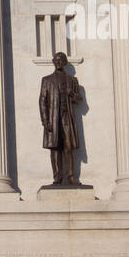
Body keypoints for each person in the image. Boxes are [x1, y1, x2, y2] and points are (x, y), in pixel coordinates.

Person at [39, 51, 83, 186]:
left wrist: (72, 94)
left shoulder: (72, 80)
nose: (58, 62)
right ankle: (57, 177)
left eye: (61, 60)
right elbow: (42, 101)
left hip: (67, 117)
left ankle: (70, 176)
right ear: (53, 62)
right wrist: (45, 120)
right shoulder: (46, 80)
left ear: (64, 62)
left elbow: (79, 99)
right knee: (55, 147)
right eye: (56, 60)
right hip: (53, 117)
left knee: (68, 146)